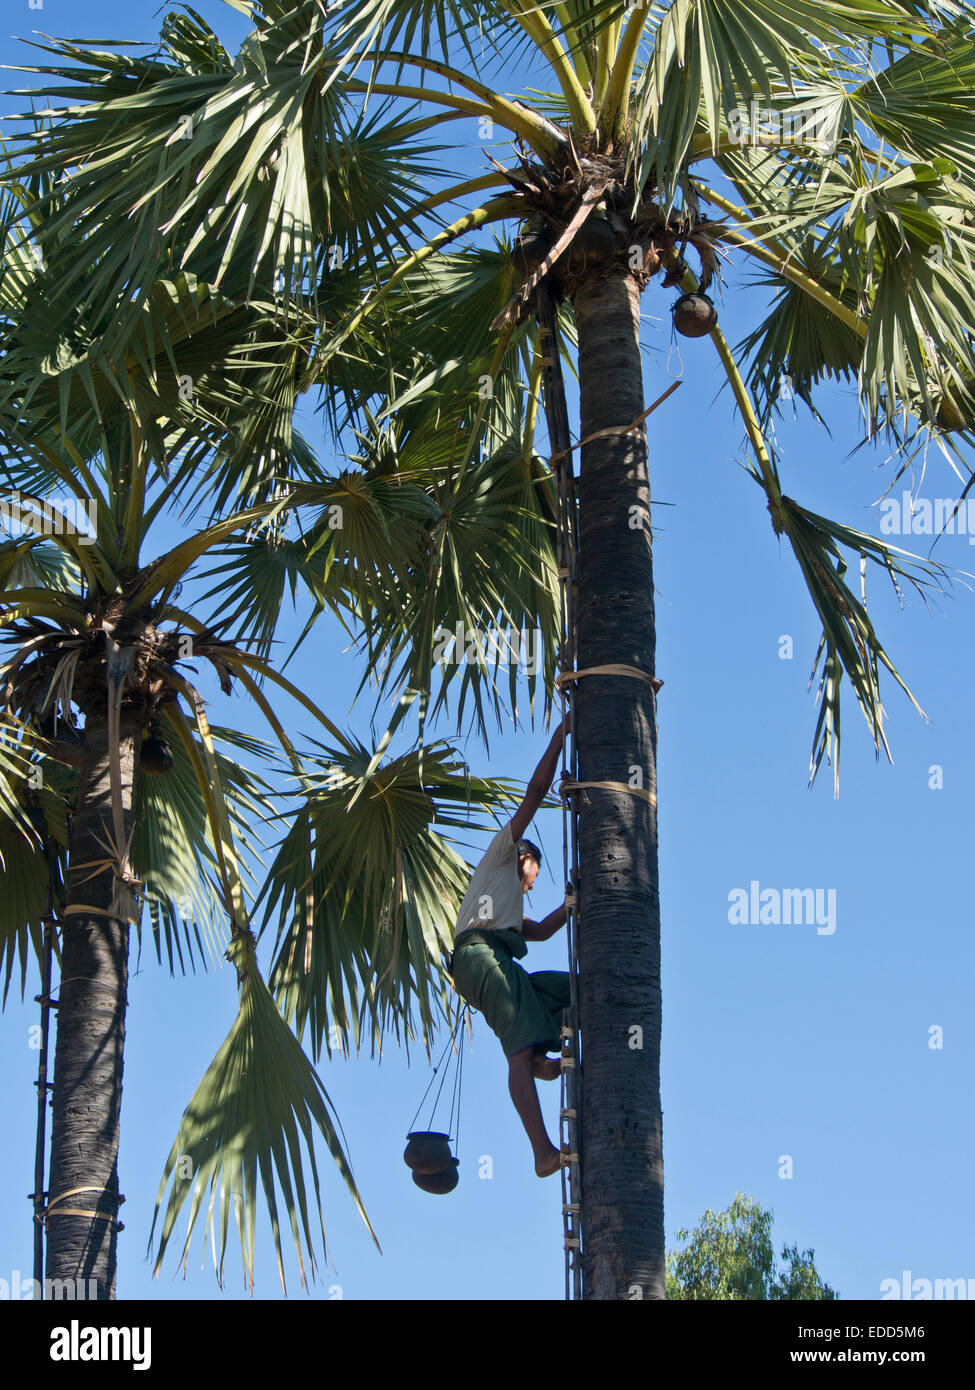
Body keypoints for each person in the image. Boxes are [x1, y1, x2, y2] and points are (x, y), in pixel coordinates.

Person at [450, 717, 571, 1178]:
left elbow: (537, 931)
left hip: (494, 959)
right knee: (516, 1051)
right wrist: (560, 736)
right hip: (478, 955)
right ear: (522, 858)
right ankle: (542, 1151)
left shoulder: (503, 905)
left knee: (562, 991)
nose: (527, 886)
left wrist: (573, 902)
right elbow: (536, 793)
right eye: (529, 878)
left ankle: (541, 1056)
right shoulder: (504, 849)